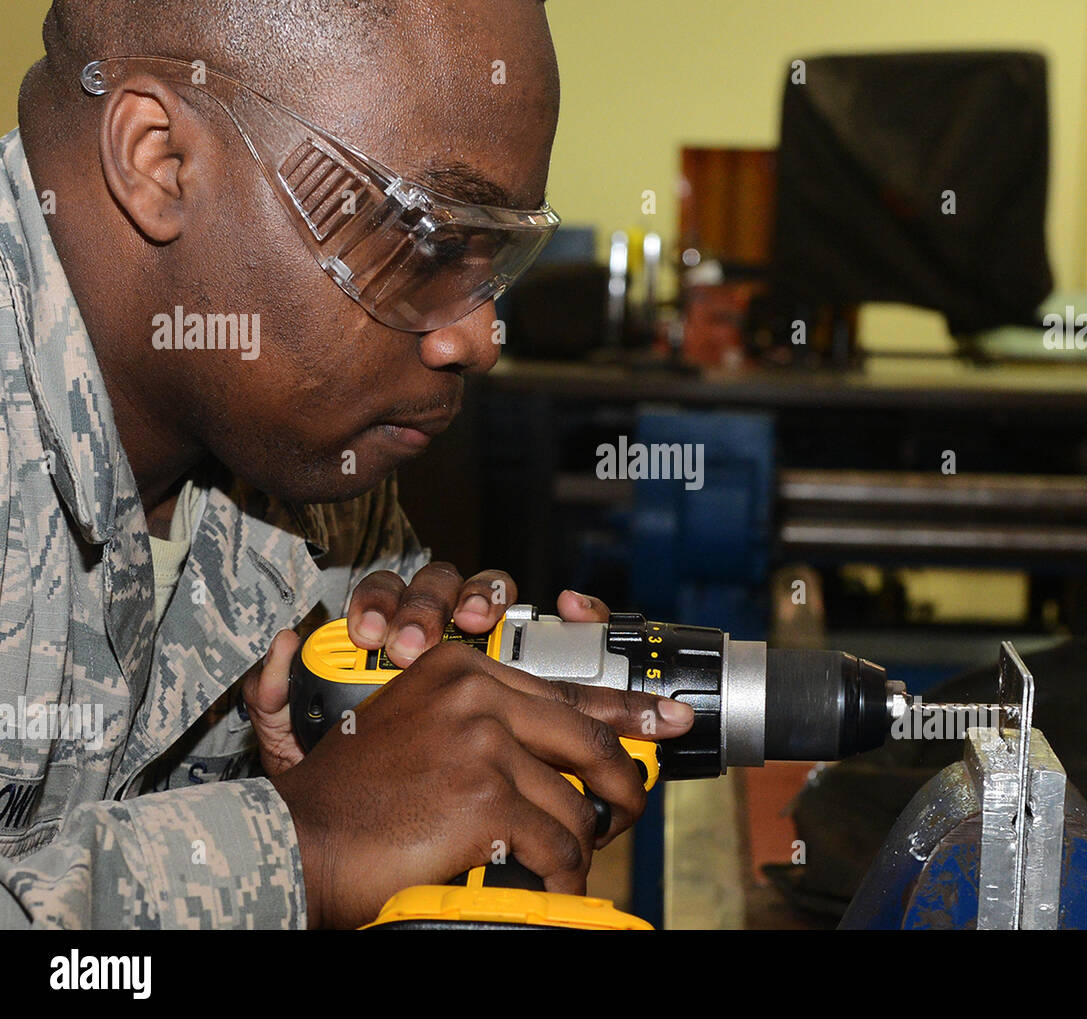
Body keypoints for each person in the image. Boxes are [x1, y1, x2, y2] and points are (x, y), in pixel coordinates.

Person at [0, 0, 693, 930]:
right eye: (428, 243)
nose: (479, 338)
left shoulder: (301, 469)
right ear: (158, 158)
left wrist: (370, 768)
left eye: (496, 264)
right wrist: (299, 851)